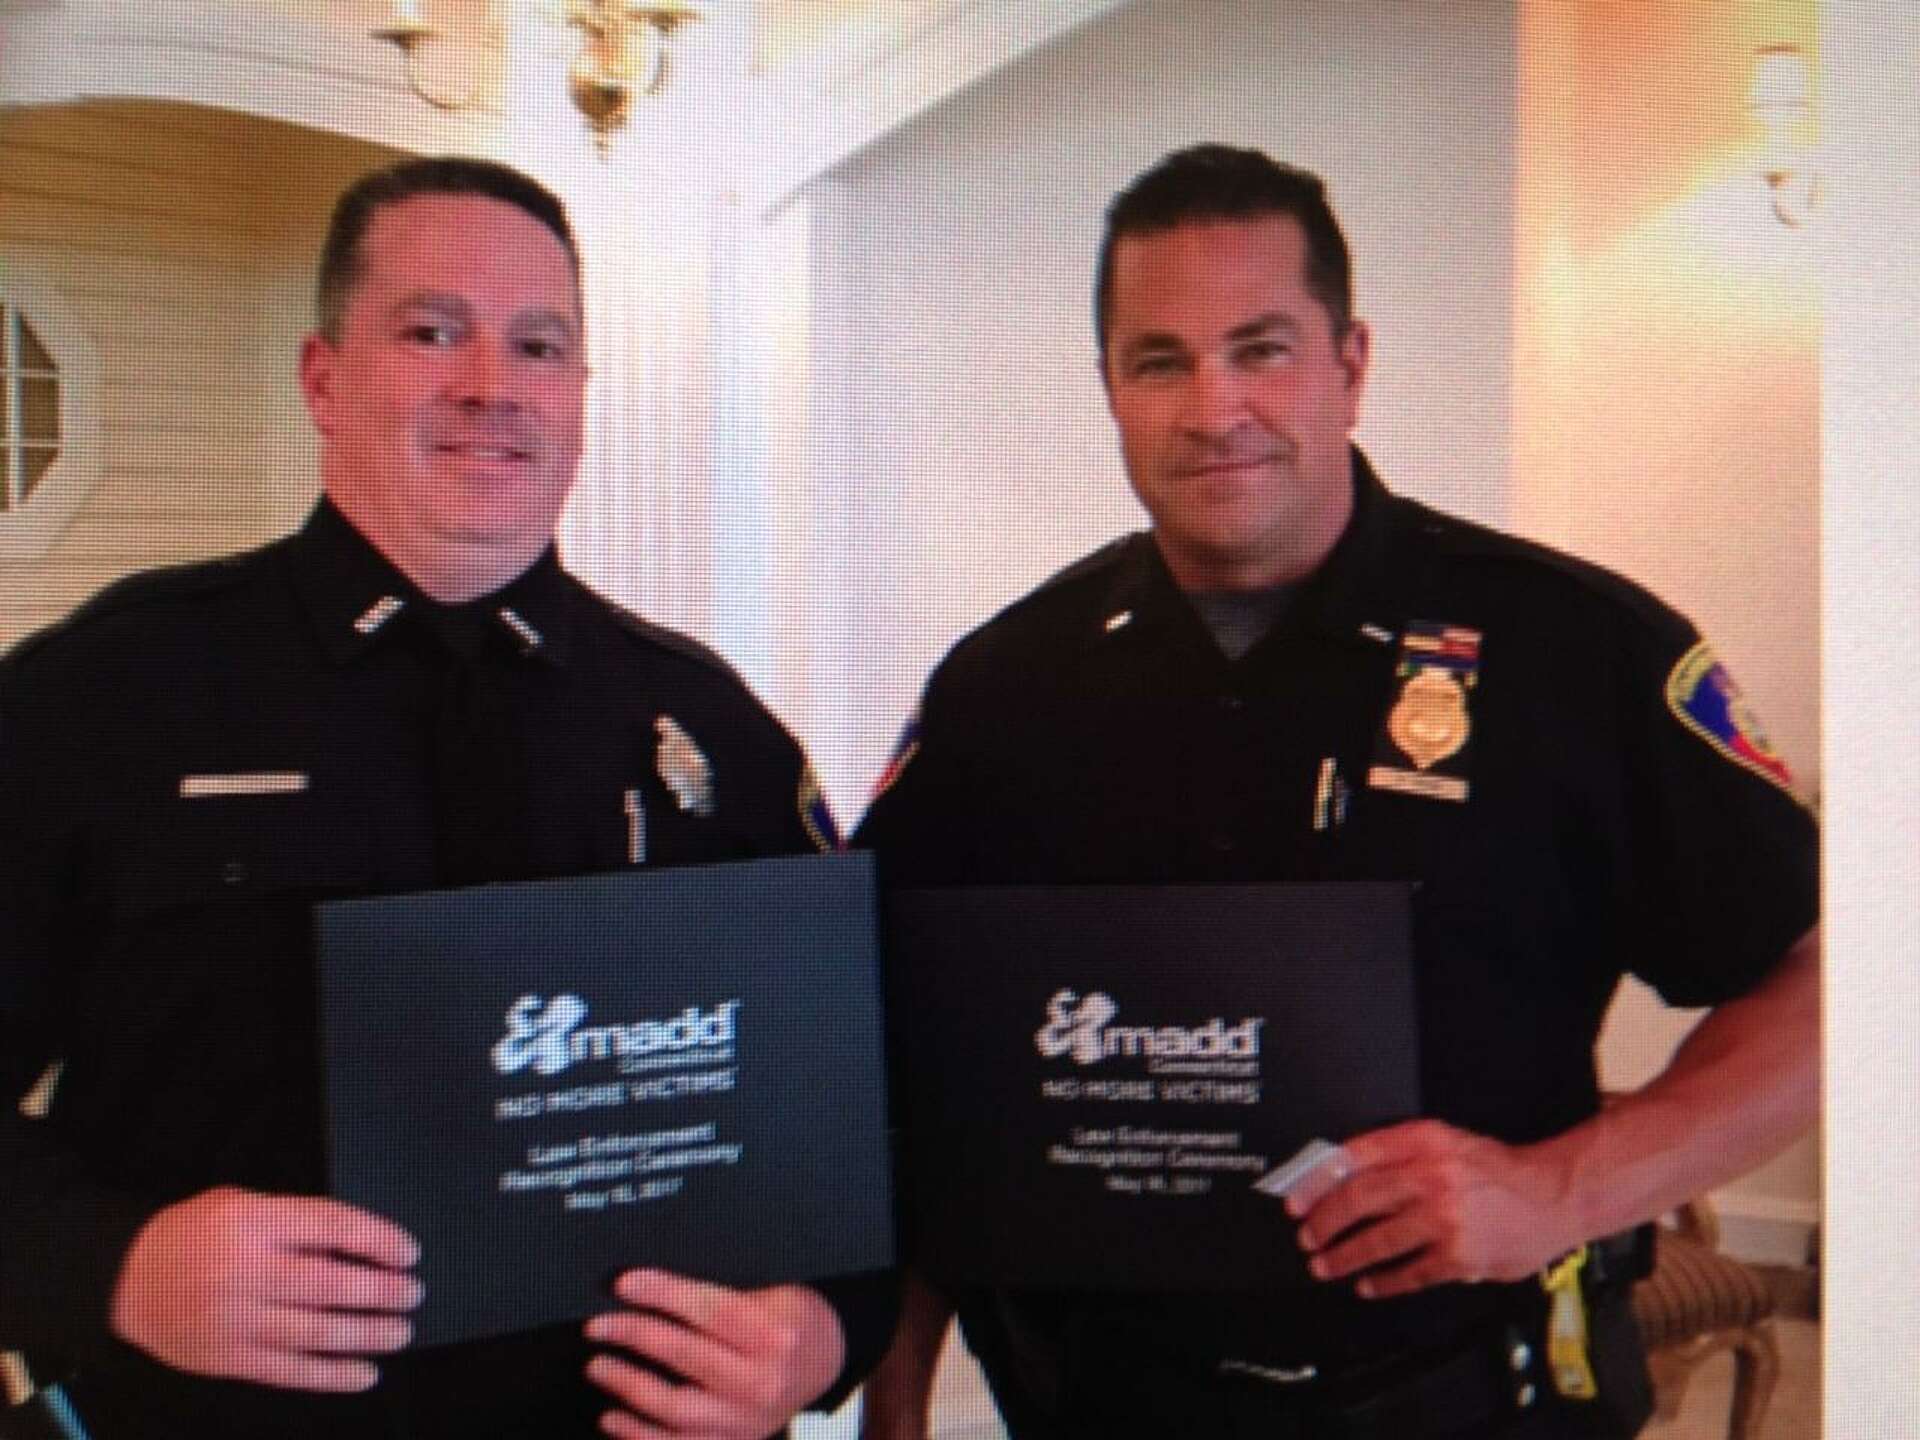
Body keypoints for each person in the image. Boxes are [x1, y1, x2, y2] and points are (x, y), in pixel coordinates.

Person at [855, 144, 1819, 1439]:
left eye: (1260, 349)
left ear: (1349, 364)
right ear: (1109, 389)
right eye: (1160, 362)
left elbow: (1825, 986)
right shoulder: (1004, 688)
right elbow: (911, 1052)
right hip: (1103, 1402)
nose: (1215, 409)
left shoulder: (1578, 652)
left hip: (1474, 1401)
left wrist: (1562, 1190)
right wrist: (893, 1409)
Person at [0, 156, 889, 1439]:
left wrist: (824, 1331)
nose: (491, 385)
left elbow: (850, 1115)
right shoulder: (110, 694)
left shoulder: (710, 732)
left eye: (539, 346)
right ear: (323, 379)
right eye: (431, 332)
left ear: (578, 394)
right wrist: (112, 1265)